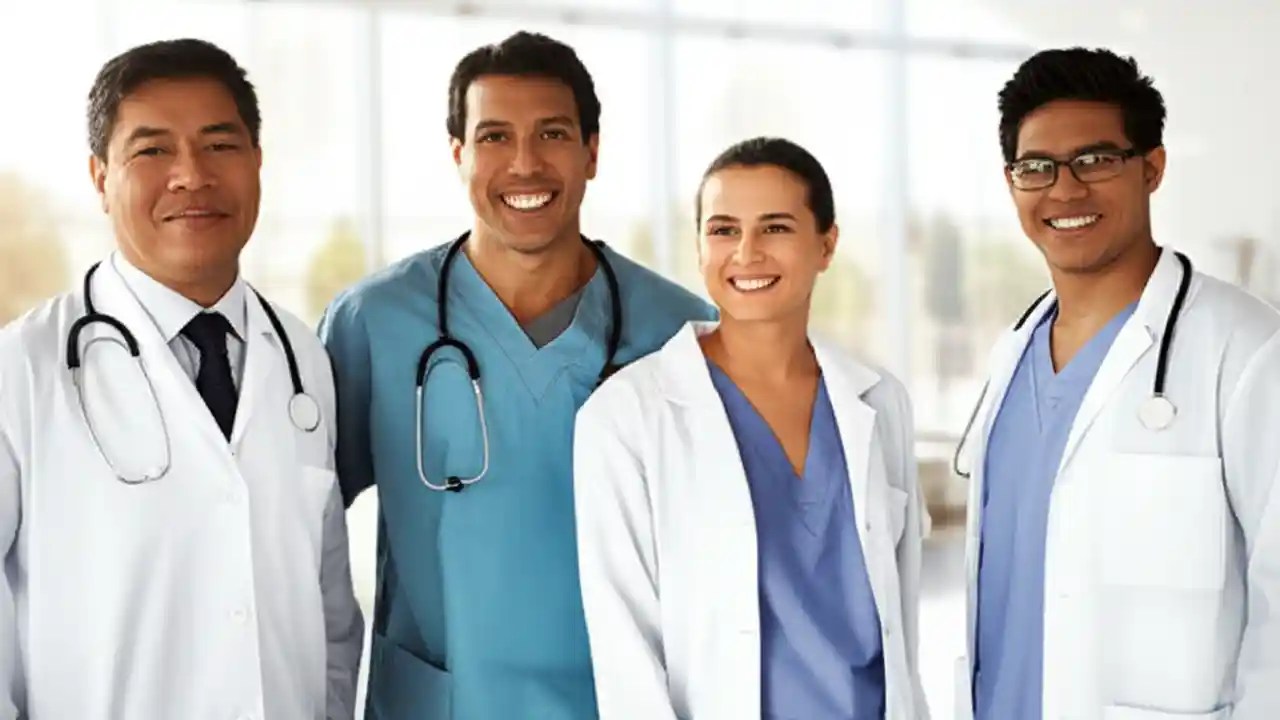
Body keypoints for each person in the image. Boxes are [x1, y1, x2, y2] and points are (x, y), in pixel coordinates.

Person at [320, 31, 714, 718]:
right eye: (495, 137)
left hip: (618, 702)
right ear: (458, 155)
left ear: (593, 151)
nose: (525, 164)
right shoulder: (374, 323)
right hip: (441, 701)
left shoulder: (681, 333)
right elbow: (295, 522)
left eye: (553, 134)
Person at [0, 39, 363, 718]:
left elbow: (330, 607)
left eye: (220, 144)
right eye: (152, 149)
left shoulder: (301, 356)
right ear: (99, 177)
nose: (191, 175)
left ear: (257, 162)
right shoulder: (20, 371)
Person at [953, 48, 1280, 720]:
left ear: (1151, 168)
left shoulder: (1245, 349)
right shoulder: (1011, 356)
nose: (1065, 190)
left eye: (1096, 160)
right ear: (1012, 181)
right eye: (1036, 168)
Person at [574, 137, 930, 720]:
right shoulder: (626, 417)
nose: (746, 252)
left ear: (826, 243)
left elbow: (902, 628)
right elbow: (626, 652)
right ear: (699, 247)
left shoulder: (879, 402)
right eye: (722, 230)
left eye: (776, 228)